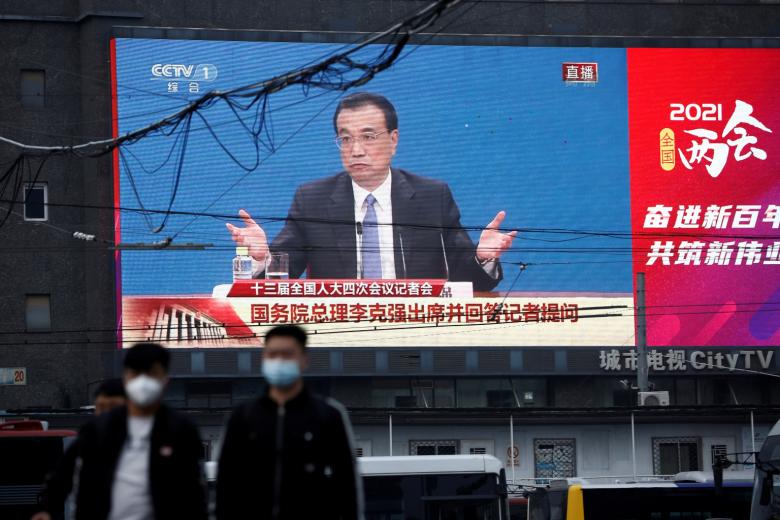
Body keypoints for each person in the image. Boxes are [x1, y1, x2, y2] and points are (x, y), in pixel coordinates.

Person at [226, 92, 517, 291]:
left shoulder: (432, 196)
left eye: (368, 136)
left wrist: (483, 257)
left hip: (419, 329)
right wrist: (264, 257)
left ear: (393, 140)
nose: (356, 150)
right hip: (338, 333)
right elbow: (282, 275)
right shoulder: (312, 199)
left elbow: (467, 278)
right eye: (345, 139)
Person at [216, 325, 362, 520]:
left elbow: (347, 484)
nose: (279, 361)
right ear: (263, 359)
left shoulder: (329, 415)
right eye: (272, 354)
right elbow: (226, 483)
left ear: (304, 360)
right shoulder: (243, 416)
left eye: (287, 355)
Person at [71, 343, 207, 520]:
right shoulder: (98, 429)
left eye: (151, 373)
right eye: (135, 373)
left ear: (165, 379)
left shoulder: (181, 430)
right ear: (125, 379)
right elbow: (84, 488)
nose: (143, 381)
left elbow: (194, 493)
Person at [32, 379, 126, 520]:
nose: (106, 413)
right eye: (101, 407)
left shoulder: (146, 441)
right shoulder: (86, 441)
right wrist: (48, 510)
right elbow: (60, 478)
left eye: (112, 407)